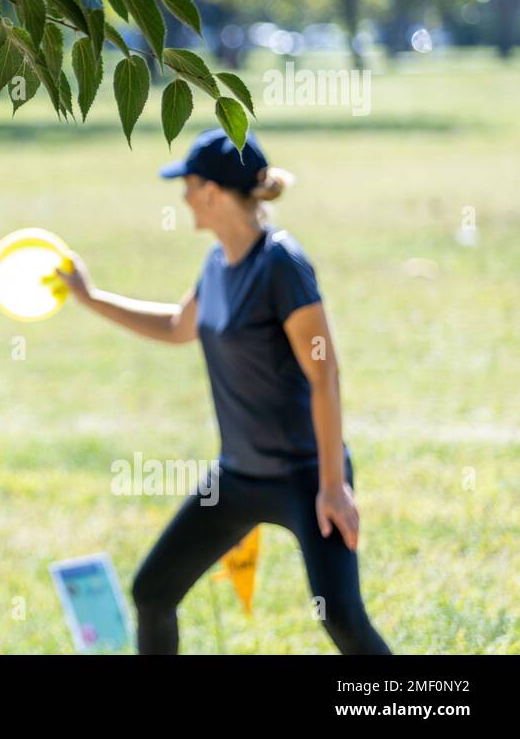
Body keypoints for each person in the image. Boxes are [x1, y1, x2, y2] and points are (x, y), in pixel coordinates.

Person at [55, 128, 392, 654]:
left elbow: (324, 372)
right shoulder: (216, 265)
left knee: (342, 619)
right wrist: (90, 298)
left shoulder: (281, 265)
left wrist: (331, 484)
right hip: (237, 477)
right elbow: (175, 326)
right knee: (154, 591)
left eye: (187, 185)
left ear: (212, 191)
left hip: (304, 476)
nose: (183, 196)